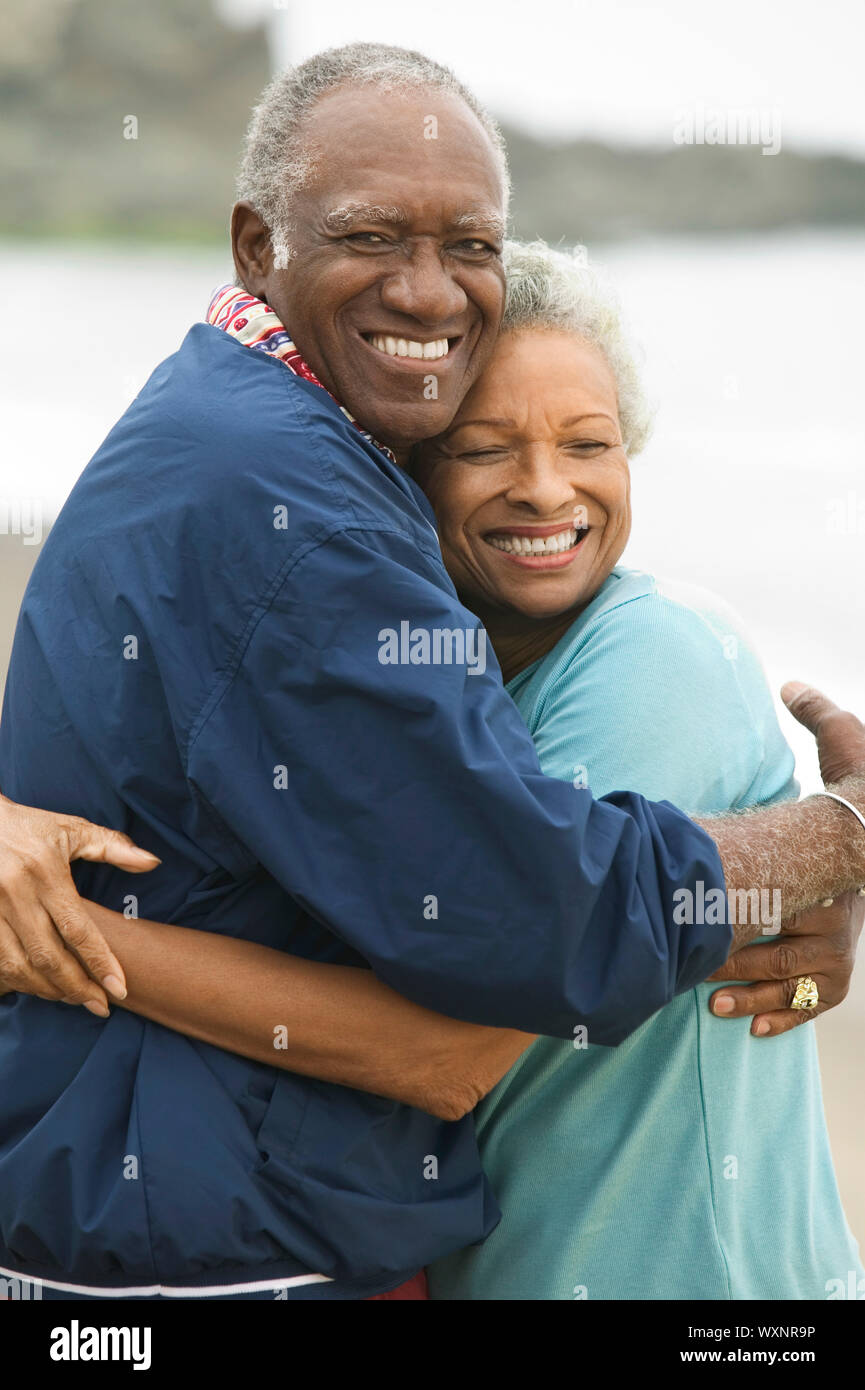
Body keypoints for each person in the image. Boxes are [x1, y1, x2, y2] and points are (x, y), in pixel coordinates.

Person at [1, 46, 865, 1302]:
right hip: (189, 1236)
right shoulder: (316, 512)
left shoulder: (239, 423)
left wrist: (801, 880)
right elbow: (527, 947)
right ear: (258, 246)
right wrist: (835, 833)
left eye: (470, 244)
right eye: (368, 236)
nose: (427, 291)